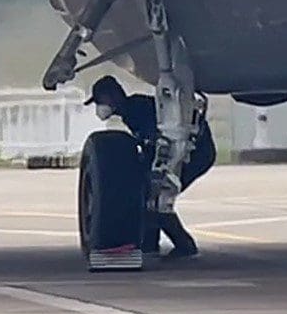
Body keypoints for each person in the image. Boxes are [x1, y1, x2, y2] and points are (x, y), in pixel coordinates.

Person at [88, 76, 211, 259]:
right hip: (190, 153)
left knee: (157, 199)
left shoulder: (137, 109)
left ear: (112, 95)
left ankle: (184, 245)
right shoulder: (130, 111)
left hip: (195, 154)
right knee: (149, 196)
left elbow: (157, 139)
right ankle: (150, 243)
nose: (100, 106)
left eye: (100, 100)